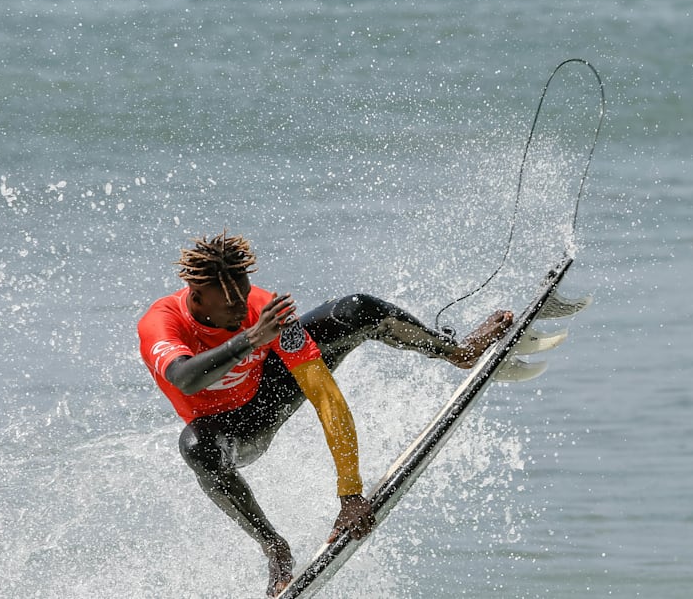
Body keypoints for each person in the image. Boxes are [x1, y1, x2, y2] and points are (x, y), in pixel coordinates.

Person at [137, 232, 513, 597]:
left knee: (356, 309)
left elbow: (325, 398)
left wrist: (351, 494)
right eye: (230, 304)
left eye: (245, 295)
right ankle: (274, 547)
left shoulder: (267, 313)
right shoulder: (163, 322)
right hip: (232, 429)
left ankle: (457, 352)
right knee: (197, 447)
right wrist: (252, 338)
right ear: (198, 298)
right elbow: (184, 378)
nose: (242, 310)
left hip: (271, 395)